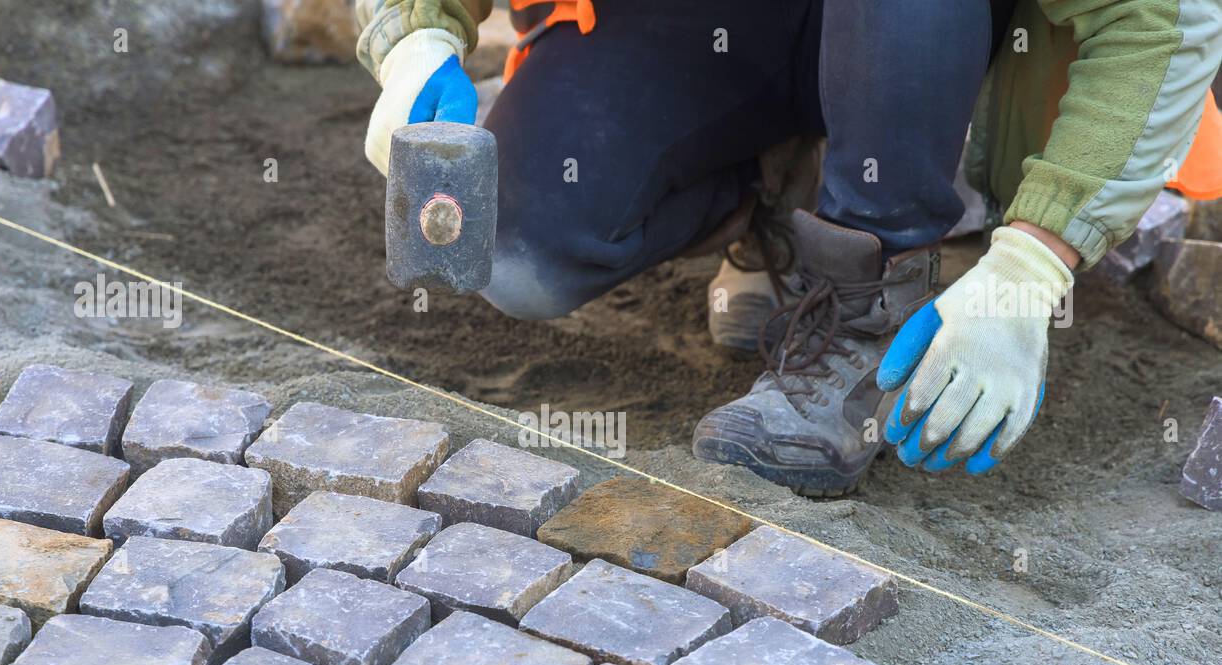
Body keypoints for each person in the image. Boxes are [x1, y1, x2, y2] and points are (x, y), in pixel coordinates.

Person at [354, 0, 1222, 494]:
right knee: (517, 251)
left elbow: (1163, 18)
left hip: (925, 38)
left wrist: (1031, 268)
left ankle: (867, 299)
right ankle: (774, 190)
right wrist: (415, 33)